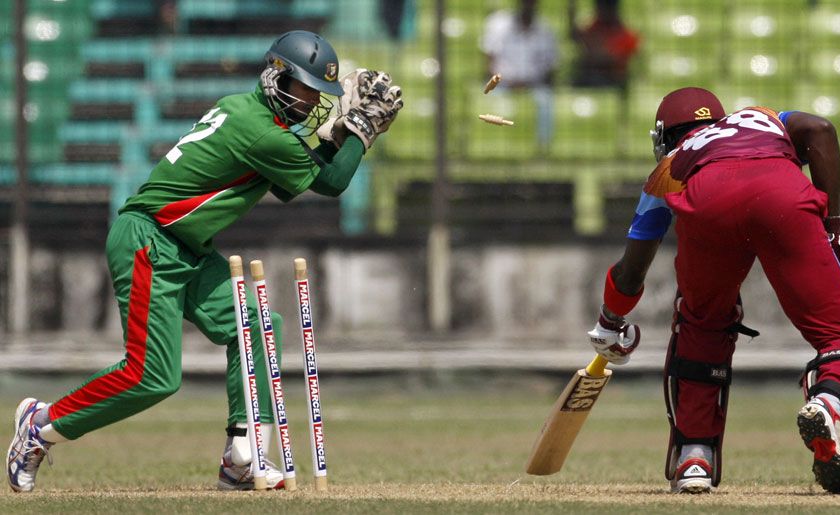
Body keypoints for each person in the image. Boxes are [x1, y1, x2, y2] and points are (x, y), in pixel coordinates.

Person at [6, 30, 403, 493]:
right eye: (305, 88)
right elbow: (330, 182)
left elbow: (294, 171)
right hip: (149, 241)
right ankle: (40, 425)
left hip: (184, 247)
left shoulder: (245, 110)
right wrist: (362, 127)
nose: (312, 100)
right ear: (276, 76)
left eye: (318, 93)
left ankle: (241, 458)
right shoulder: (261, 132)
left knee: (256, 322)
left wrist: (339, 134)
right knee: (152, 377)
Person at [586, 87, 840, 495]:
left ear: (663, 135)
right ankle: (829, 400)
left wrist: (610, 321)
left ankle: (695, 457)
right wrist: (833, 228)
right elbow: (821, 129)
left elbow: (630, 271)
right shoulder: (762, 116)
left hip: (707, 200)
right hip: (781, 190)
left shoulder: (672, 165)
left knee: (702, 323)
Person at [481, 0, 559, 151]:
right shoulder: (498, 24)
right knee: (489, 98)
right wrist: (506, 81)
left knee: (546, 100)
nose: (528, 5)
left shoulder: (546, 30)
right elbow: (489, 62)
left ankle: (542, 147)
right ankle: (495, 147)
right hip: (502, 84)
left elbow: (550, 68)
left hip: (534, 85)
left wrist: (529, 83)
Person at [568, 0, 639, 89]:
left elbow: (608, 59)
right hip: (589, 76)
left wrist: (593, 52)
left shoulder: (626, 34)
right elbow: (575, 37)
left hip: (612, 80)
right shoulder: (595, 26)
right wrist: (571, 9)